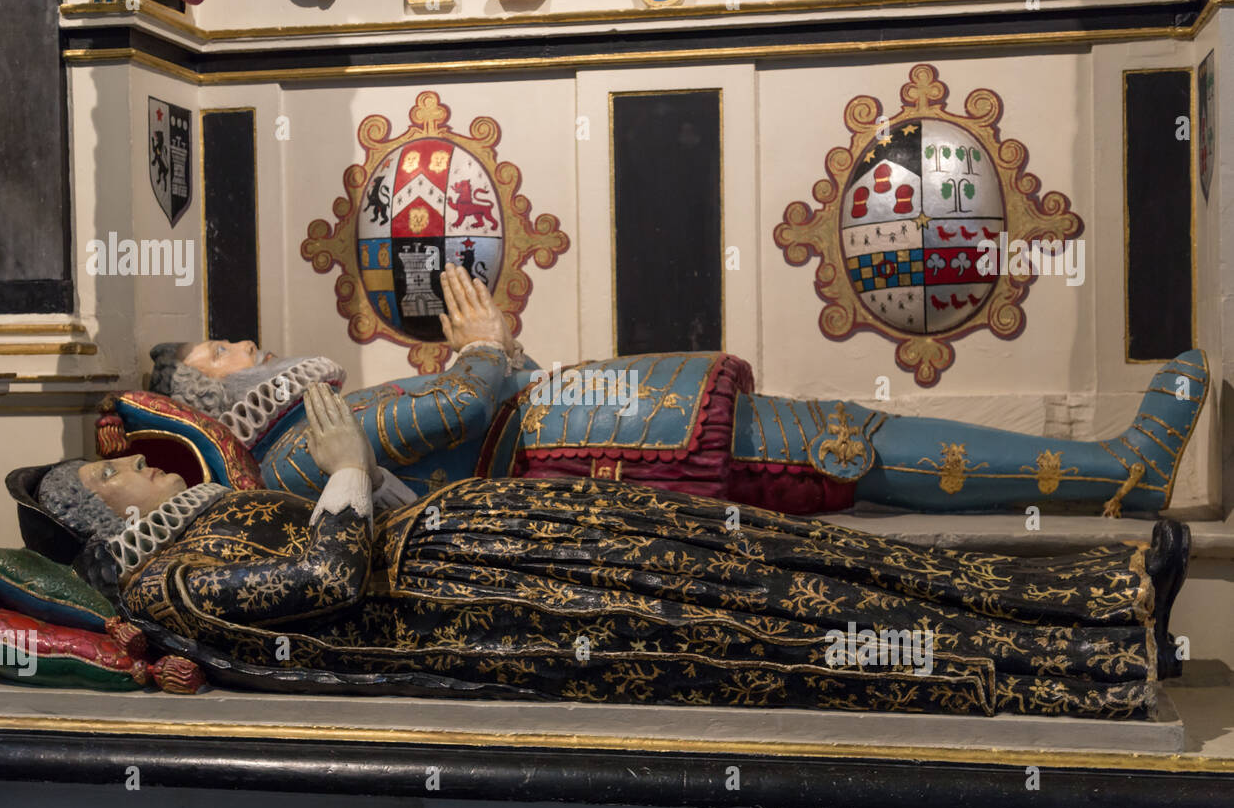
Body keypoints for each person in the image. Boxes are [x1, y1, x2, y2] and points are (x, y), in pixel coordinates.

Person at [30, 381, 1190, 718]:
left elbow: (356, 524)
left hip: (516, 537)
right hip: (503, 602)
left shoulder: (204, 517)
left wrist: (360, 475)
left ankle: (1099, 587)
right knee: (791, 623)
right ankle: (1084, 660)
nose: (146, 467)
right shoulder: (165, 577)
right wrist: (343, 466)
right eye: (118, 473)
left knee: (805, 559)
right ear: (101, 514)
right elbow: (322, 581)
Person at [141, 266, 1209, 518]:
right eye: (222, 352)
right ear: (210, 396)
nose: (246, 343)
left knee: (845, 441)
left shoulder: (302, 428)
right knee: (844, 446)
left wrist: (495, 359)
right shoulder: (296, 446)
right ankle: (1121, 472)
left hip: (604, 423)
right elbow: (462, 407)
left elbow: (472, 402)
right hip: (608, 447)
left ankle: (1112, 471)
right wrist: (487, 346)